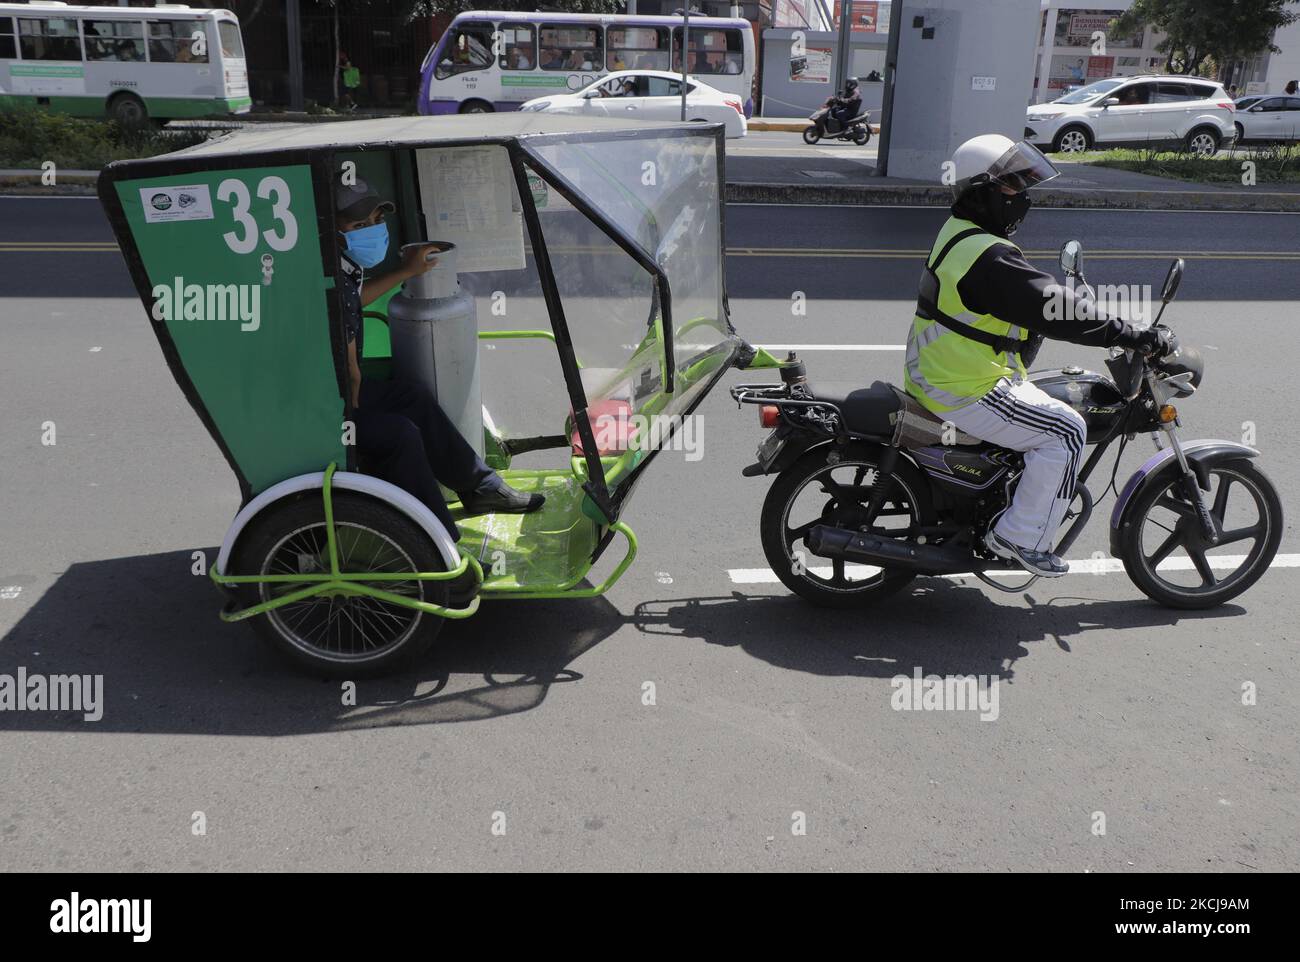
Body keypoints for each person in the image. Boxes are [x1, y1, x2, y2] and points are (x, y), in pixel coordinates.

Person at [903, 134, 1177, 576]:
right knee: (1066, 430)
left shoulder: (961, 234)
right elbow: (1055, 309)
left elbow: (1036, 298)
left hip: (942, 372)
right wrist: (1135, 335)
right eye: (1012, 187)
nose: (1023, 198)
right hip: (965, 384)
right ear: (981, 192)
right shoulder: (987, 254)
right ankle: (1019, 536)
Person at [333, 174, 544, 542]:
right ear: (334, 230)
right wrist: (357, 415)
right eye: (358, 225)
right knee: (399, 433)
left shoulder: (343, 267)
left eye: (376, 221)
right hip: (326, 412)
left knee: (409, 396)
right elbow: (351, 375)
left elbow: (355, 300)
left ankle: (479, 488)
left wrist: (406, 271)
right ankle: (439, 544)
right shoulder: (325, 275)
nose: (371, 230)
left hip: (333, 399)